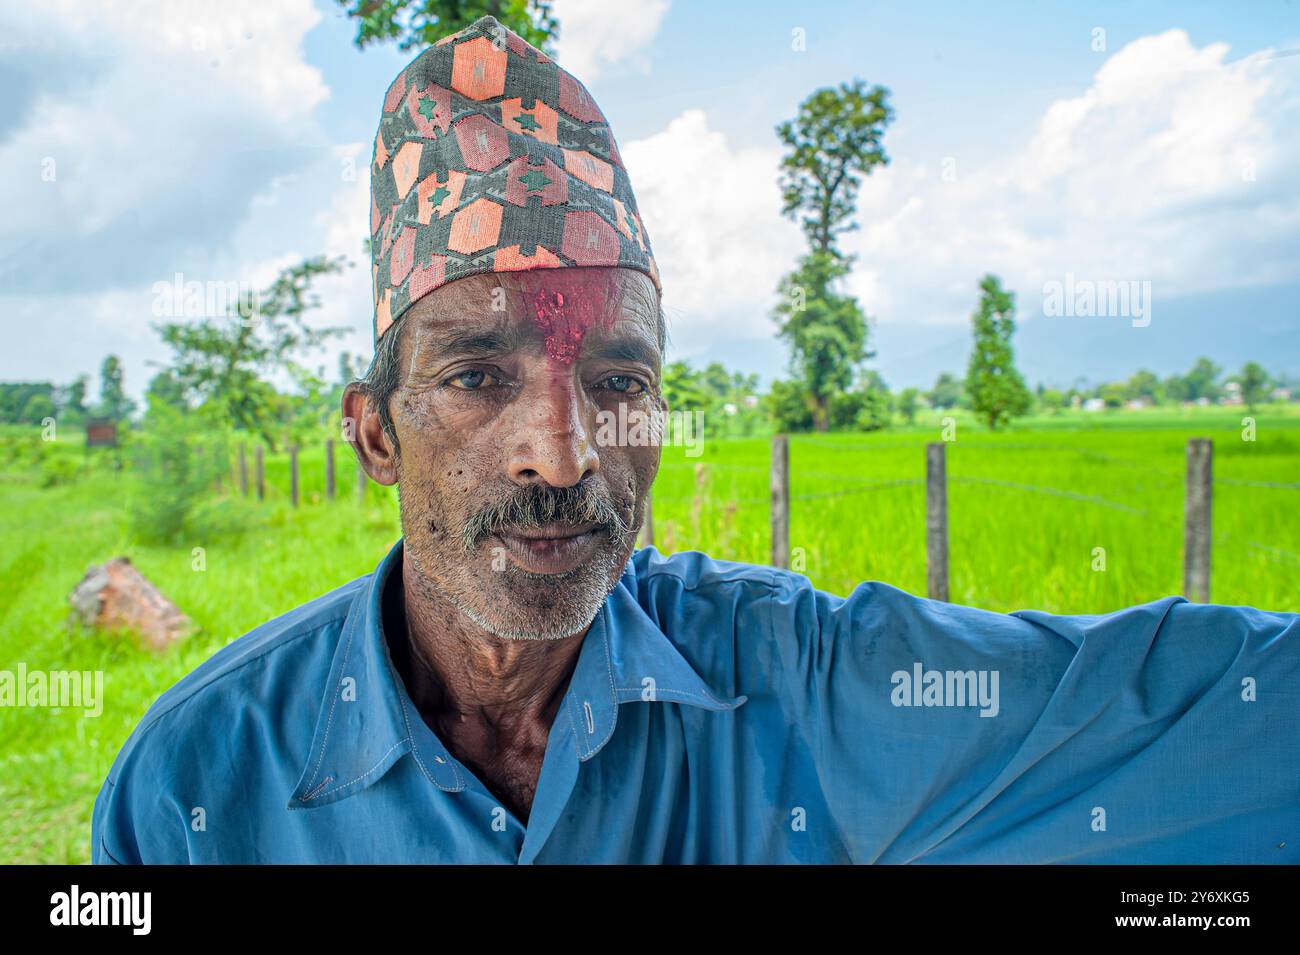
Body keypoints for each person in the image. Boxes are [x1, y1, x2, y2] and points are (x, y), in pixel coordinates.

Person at [92, 15, 1298, 864]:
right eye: (474, 375)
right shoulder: (196, 787)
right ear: (373, 434)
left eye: (617, 377)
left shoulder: (798, 688)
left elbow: (1182, 706)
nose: (561, 458)